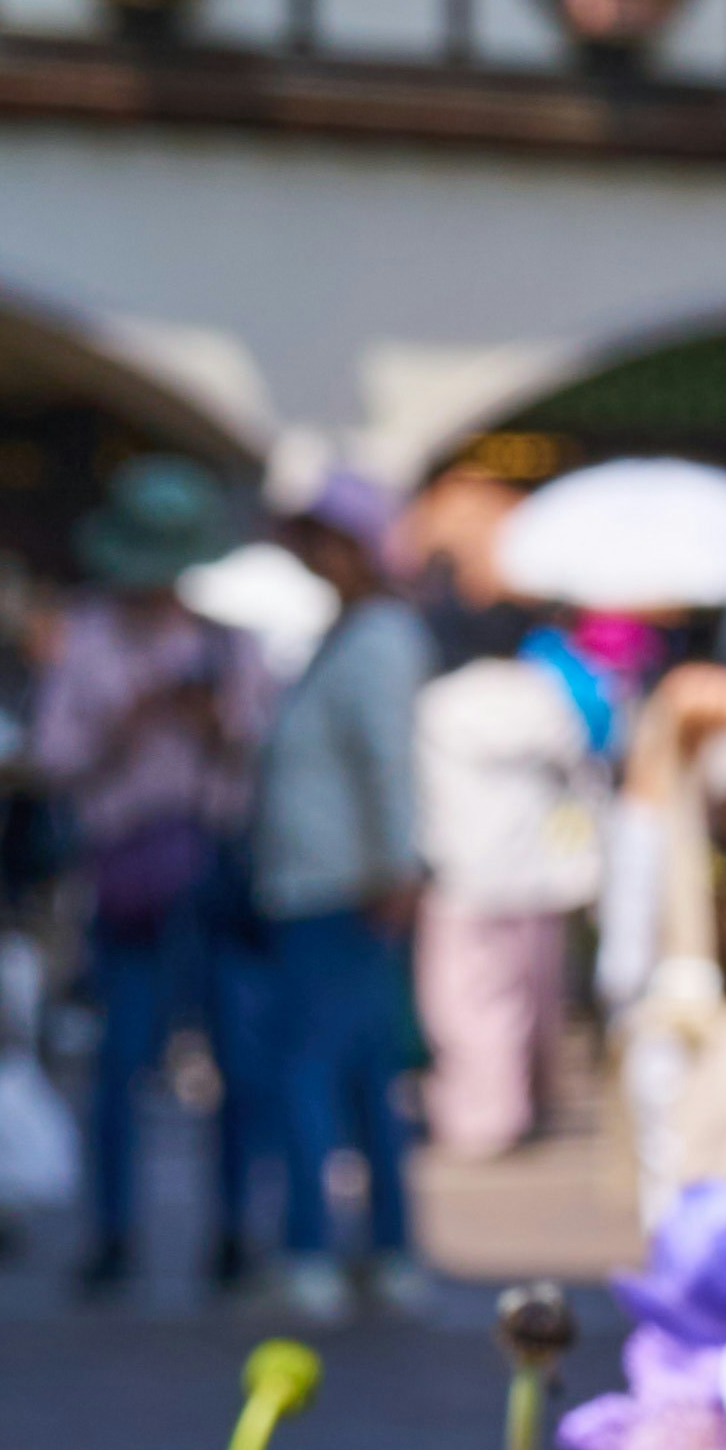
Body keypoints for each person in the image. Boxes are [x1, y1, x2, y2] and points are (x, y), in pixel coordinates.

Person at [28, 460, 273, 1291]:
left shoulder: (226, 643)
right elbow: (52, 759)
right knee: (117, 1066)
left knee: (239, 1063)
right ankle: (112, 1236)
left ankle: (236, 1234)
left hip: (209, 868)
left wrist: (210, 723)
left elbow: (259, 750)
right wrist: (126, 724)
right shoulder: (86, 635)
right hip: (125, 873)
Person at [229, 469, 431, 1315]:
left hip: (341, 890)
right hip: (323, 884)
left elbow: (387, 765)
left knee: (317, 1074)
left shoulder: (376, 638)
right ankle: (380, 1251)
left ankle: (322, 1251)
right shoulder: (348, 635)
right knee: (355, 1075)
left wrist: (395, 869)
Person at [401, 467, 606, 1173]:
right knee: (533, 1000)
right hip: (537, 876)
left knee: (468, 1006)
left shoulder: (441, 702)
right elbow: (585, 771)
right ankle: (526, 1104)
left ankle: (484, 1118)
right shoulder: (545, 692)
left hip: (465, 874)